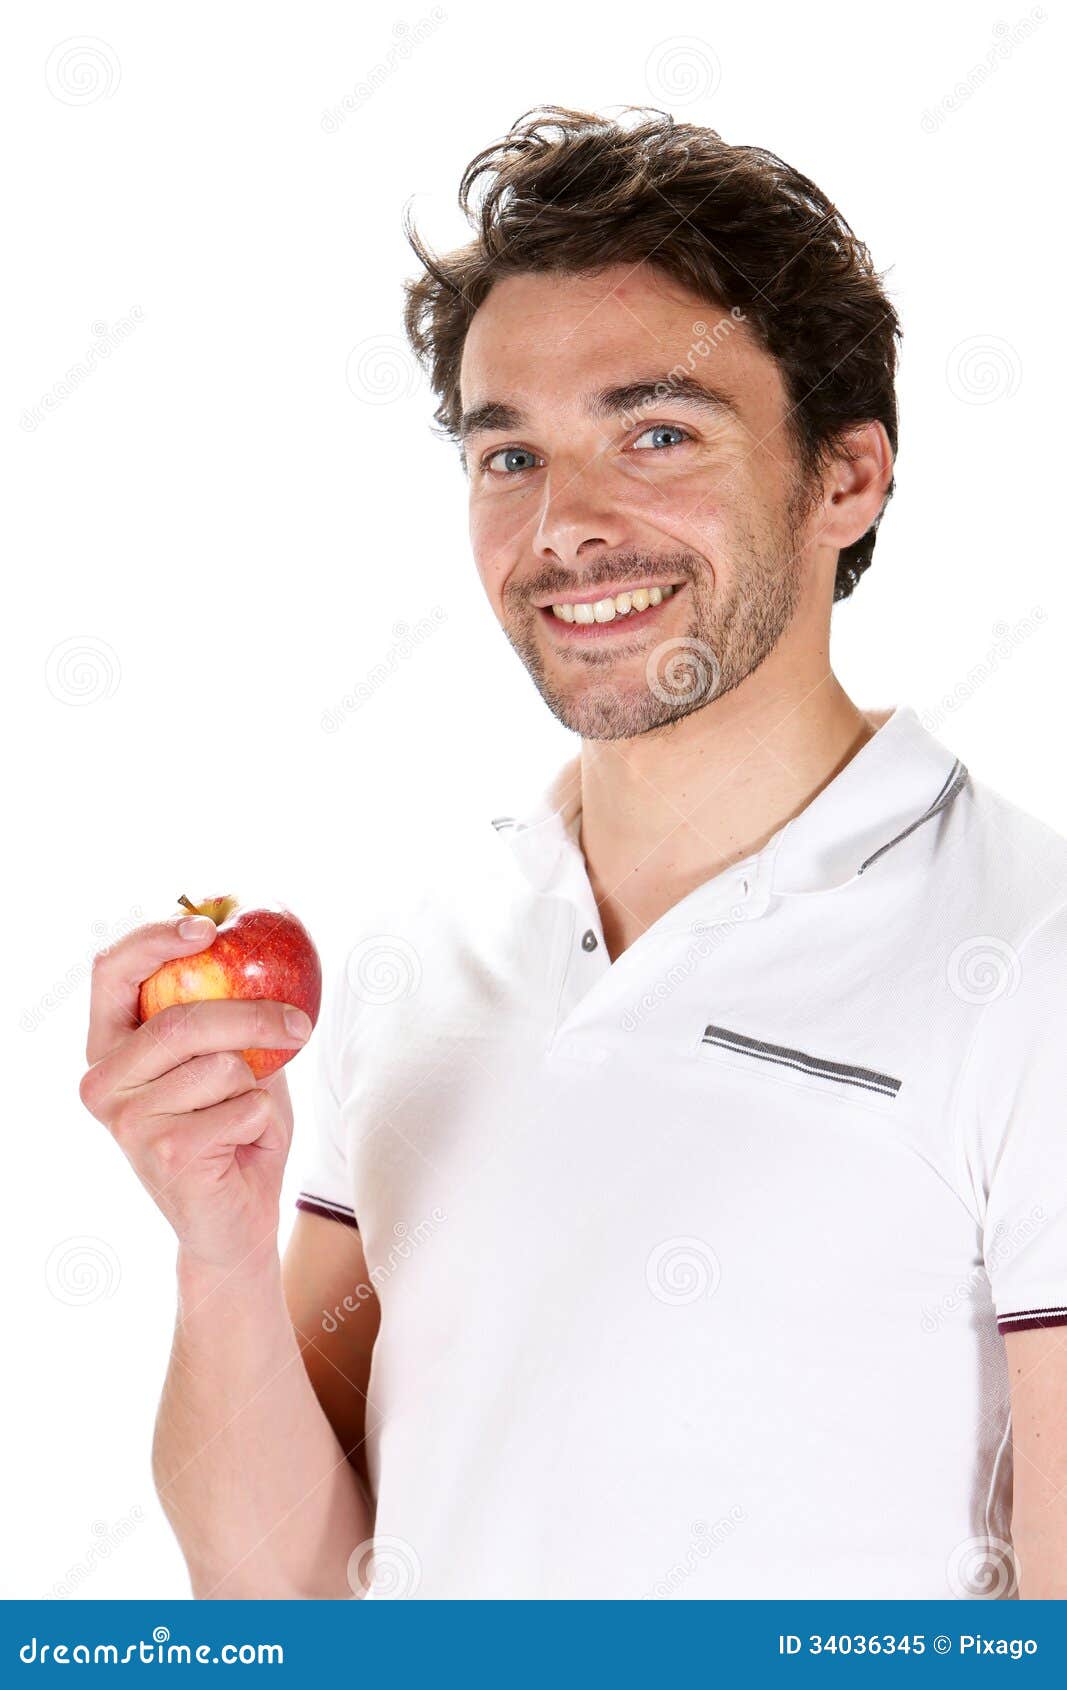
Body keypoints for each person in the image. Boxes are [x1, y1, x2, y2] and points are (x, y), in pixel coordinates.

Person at [79, 106, 1067, 1600]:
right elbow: (282, 1595)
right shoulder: (428, 949)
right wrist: (219, 1243)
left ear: (847, 478)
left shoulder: (1028, 947)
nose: (566, 526)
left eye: (656, 432)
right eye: (510, 454)